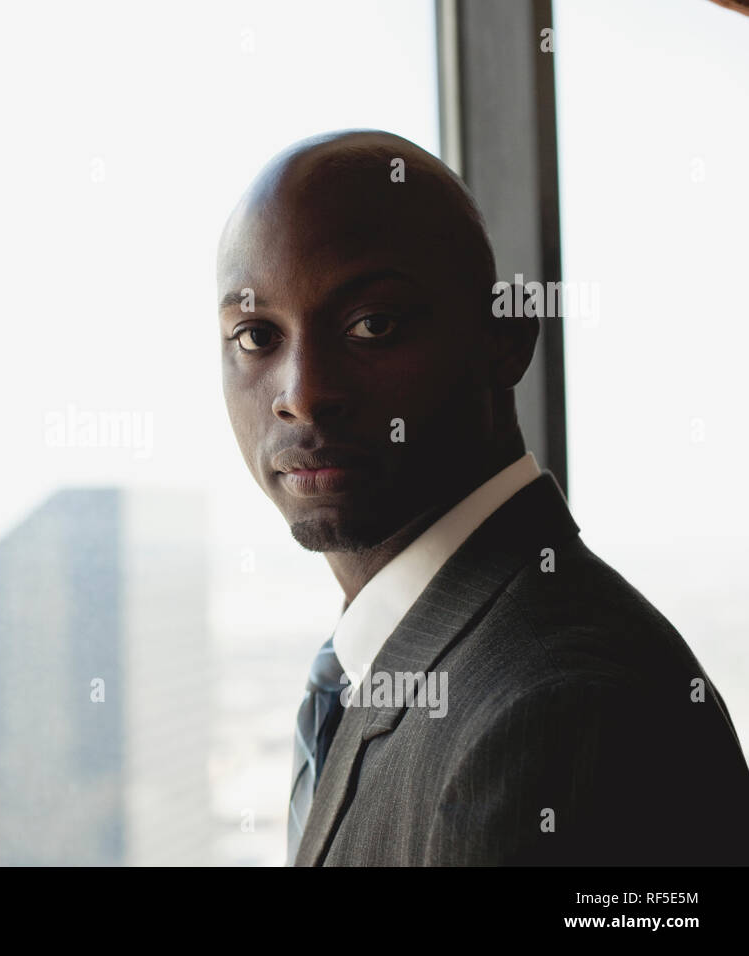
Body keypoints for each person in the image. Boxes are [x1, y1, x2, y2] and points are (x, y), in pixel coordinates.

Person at [216, 129, 749, 866]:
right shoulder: (389, 665)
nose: (302, 394)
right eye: (255, 336)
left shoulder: (559, 716)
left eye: (373, 325)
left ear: (506, 337)